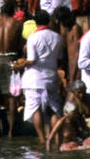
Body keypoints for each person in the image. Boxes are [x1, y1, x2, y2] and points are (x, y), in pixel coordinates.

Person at [14, 12, 65, 146]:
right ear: (48, 21)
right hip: (51, 77)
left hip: (34, 78)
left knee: (35, 109)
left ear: (35, 23)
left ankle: (42, 140)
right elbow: (59, 59)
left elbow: (31, 61)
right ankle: (56, 140)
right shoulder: (58, 37)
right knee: (53, 109)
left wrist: (19, 65)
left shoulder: (33, 38)